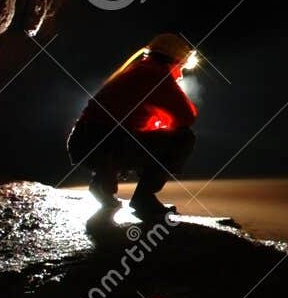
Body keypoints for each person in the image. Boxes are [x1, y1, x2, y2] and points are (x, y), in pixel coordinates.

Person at [68, 33, 198, 219]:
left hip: (82, 142)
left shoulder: (137, 69)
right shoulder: (157, 75)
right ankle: (143, 199)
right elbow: (187, 116)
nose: (181, 73)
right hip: (109, 143)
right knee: (184, 137)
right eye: (182, 66)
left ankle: (104, 181)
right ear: (176, 60)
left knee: (128, 137)